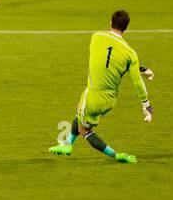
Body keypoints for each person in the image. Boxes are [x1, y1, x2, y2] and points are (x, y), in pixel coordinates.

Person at [48, 10, 154, 164]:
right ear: (126, 28)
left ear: (110, 22)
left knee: (84, 130)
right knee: (80, 110)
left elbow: (106, 56)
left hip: (94, 94)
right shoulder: (131, 54)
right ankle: (67, 143)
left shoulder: (96, 37)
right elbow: (136, 81)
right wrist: (146, 105)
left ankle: (115, 155)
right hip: (110, 99)